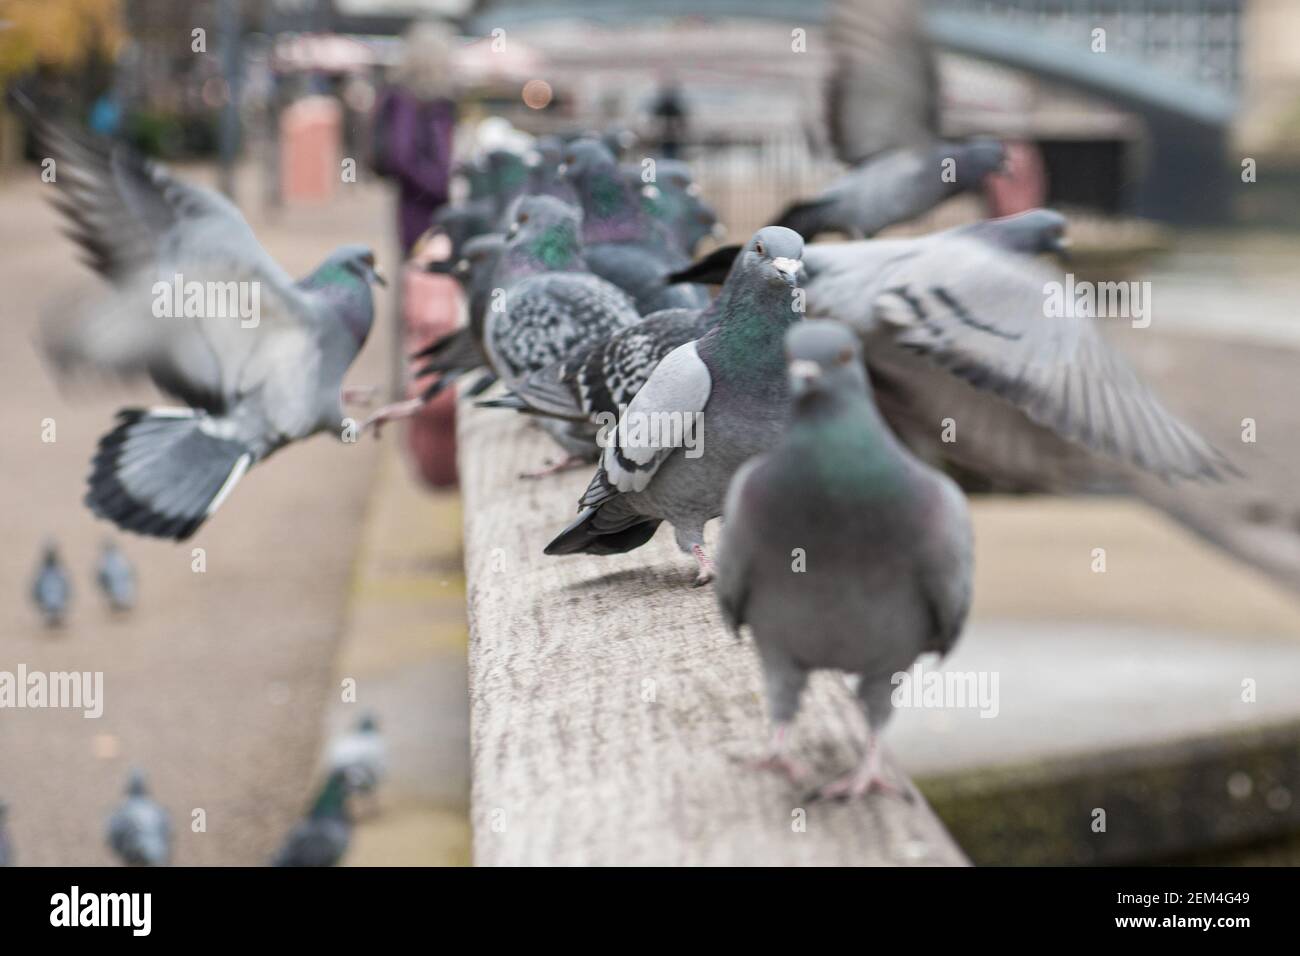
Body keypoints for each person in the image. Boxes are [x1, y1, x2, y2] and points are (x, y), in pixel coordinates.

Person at [376, 22, 457, 254]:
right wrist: (439, 187)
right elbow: (402, 156)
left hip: (423, 197)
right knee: (420, 261)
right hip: (419, 201)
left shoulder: (433, 100)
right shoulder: (408, 100)